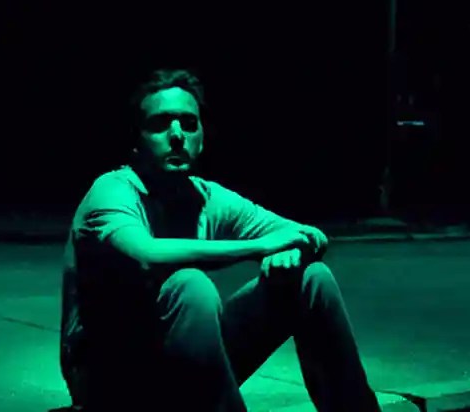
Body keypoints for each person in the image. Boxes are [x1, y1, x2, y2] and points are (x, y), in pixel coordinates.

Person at [60, 68, 382, 411]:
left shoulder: (208, 197)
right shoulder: (112, 191)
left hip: (180, 365)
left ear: (202, 137)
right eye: (159, 124)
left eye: (188, 123)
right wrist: (260, 247)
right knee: (189, 285)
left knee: (311, 279)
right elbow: (146, 253)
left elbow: (304, 234)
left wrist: (292, 249)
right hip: (109, 380)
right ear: (135, 142)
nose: (176, 135)